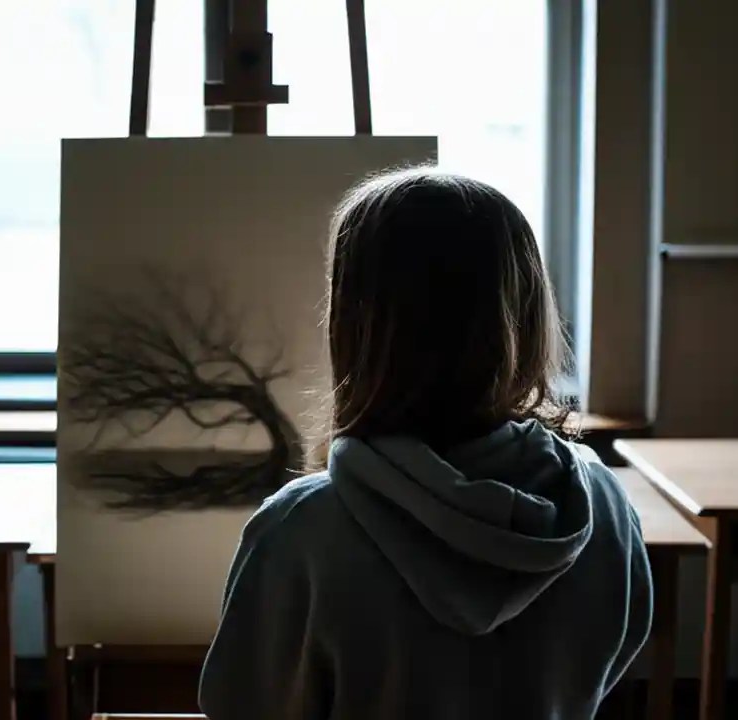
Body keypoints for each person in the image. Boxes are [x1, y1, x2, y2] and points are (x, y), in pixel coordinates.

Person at [199, 169, 652, 719]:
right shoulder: (599, 503)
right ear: (528, 312)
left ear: (354, 326)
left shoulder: (300, 531)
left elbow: (244, 705)